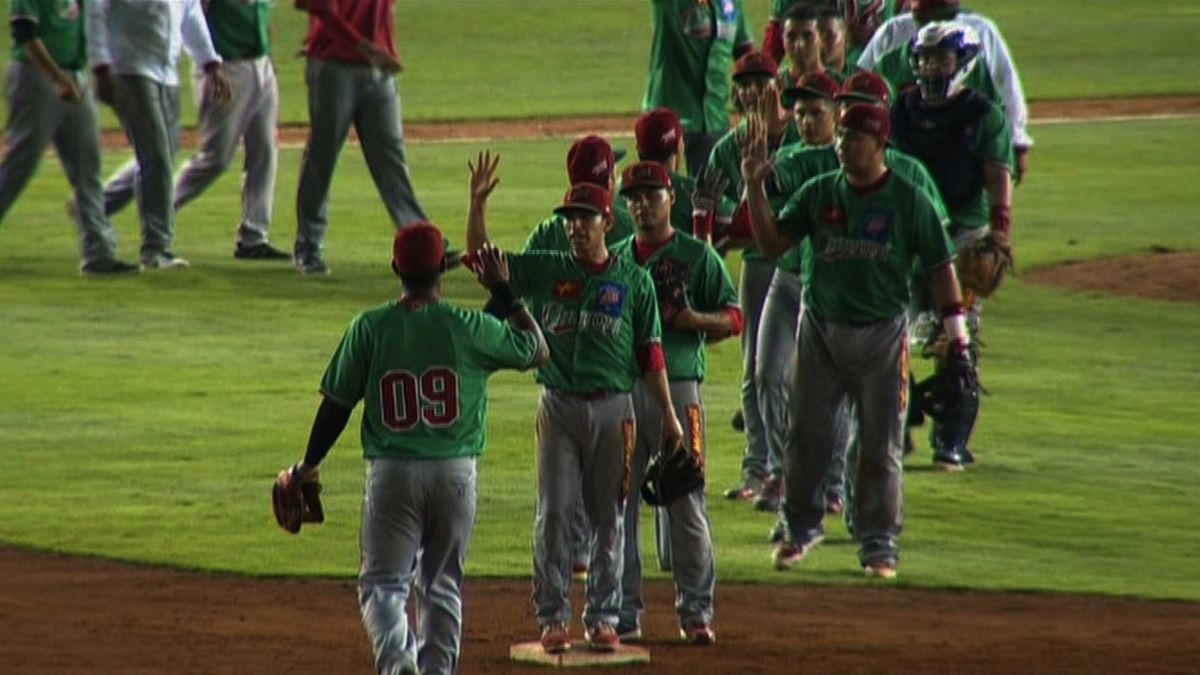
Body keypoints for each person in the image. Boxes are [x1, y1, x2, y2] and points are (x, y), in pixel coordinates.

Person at [273, 223, 549, 675]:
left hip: (392, 475)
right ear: (443, 268)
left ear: (395, 268)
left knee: (383, 584)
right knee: (442, 584)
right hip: (455, 474)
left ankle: (398, 664)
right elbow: (536, 350)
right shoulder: (470, 326)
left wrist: (308, 464)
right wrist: (503, 289)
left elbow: (336, 406)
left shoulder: (370, 327)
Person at [741, 102, 974, 578]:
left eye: (855, 138)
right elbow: (771, 245)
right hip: (820, 331)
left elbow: (941, 268)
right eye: (842, 136)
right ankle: (800, 528)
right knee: (805, 437)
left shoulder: (909, 200)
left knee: (879, 444)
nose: (844, 146)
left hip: (883, 338)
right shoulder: (819, 192)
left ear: (881, 142)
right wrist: (753, 188)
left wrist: (958, 339)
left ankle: (878, 544)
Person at [465, 152, 684, 655]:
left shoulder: (634, 280)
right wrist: (477, 205)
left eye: (585, 220)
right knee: (556, 513)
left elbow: (650, 355)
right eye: (569, 221)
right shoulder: (546, 270)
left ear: (608, 221)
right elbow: (484, 263)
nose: (575, 230)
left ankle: (604, 617)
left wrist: (669, 415)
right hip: (559, 406)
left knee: (609, 517)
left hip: (615, 409)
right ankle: (552, 616)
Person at [610, 161, 742, 646]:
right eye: (634, 197)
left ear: (671, 198)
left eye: (652, 195)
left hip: (681, 391)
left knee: (685, 500)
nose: (643, 204)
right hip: (623, 392)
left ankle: (696, 612)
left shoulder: (697, 256)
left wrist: (690, 319)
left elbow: (734, 318)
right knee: (616, 507)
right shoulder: (616, 259)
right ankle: (622, 614)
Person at [889, 21, 1013, 471]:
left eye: (940, 59)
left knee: (957, 342)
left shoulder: (982, 114)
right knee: (891, 334)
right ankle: (892, 429)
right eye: (924, 59)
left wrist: (999, 231)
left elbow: (997, 175)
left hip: (962, 236)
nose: (930, 68)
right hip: (908, 233)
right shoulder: (901, 109)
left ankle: (951, 441)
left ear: (961, 63)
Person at [522, 134, 634, 584]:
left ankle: (586, 583)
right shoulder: (622, 222)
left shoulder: (547, 232)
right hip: (599, 384)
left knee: (570, 504)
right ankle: (590, 599)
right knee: (612, 507)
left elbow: (508, 290)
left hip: (595, 383)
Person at [704, 51, 796, 505]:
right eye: (744, 84)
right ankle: (760, 469)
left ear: (777, 84)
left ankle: (806, 471)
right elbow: (716, 222)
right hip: (760, 266)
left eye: (760, 81)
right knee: (756, 372)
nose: (751, 91)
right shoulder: (729, 147)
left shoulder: (802, 133)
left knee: (797, 375)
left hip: (806, 267)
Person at [749, 71, 842, 515]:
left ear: (837, 114)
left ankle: (834, 481)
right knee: (768, 373)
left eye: (815, 112)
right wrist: (766, 152)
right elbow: (772, 182)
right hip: (786, 281)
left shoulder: (848, 159)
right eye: (800, 112)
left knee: (829, 391)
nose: (806, 120)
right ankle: (785, 469)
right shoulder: (790, 153)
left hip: (829, 291)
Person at [87, 0, 231, 270]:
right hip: (128, 69)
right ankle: (156, 247)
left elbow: (191, 16)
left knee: (163, 152)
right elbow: (95, 15)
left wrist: (210, 62)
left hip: (166, 72)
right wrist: (100, 67)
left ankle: (93, 208)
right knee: (156, 155)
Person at [293, 0, 429, 275]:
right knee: (323, 157)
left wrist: (382, 49)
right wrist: (363, 46)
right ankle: (308, 246)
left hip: (380, 68)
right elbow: (317, 7)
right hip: (333, 65)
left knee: (391, 157)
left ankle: (422, 243)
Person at [0, 0, 135, 275]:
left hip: (75, 74)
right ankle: (98, 250)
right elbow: (25, 35)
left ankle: (98, 252)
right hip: (35, 77)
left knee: (88, 165)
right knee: (19, 164)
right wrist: (56, 78)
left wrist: (95, 72)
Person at [856, 0, 1032, 181]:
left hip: (963, 149)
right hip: (906, 149)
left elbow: (1007, 87)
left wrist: (1017, 142)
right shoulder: (893, 31)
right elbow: (860, 85)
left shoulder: (981, 30)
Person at [172, 0, 288, 261]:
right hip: (224, 68)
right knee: (215, 158)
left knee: (265, 152)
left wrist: (267, 54)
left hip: (260, 65)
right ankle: (159, 210)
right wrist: (208, 66)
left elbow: (262, 12)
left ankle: (253, 237)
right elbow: (191, 18)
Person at [643, 0, 753, 175]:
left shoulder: (730, 4)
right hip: (667, 116)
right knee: (658, 190)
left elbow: (744, 51)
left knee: (710, 194)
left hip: (714, 118)